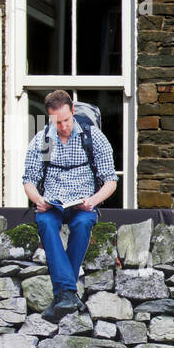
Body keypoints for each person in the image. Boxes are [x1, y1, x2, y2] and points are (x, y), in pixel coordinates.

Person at [22, 91, 117, 324]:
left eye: (66, 120)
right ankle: (68, 294)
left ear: (72, 111)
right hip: (53, 202)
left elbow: (111, 180)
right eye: (57, 122)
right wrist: (37, 199)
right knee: (44, 222)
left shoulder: (93, 137)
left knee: (84, 223)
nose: (63, 126)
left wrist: (93, 200)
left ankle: (63, 295)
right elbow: (29, 180)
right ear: (50, 117)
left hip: (83, 203)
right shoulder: (43, 139)